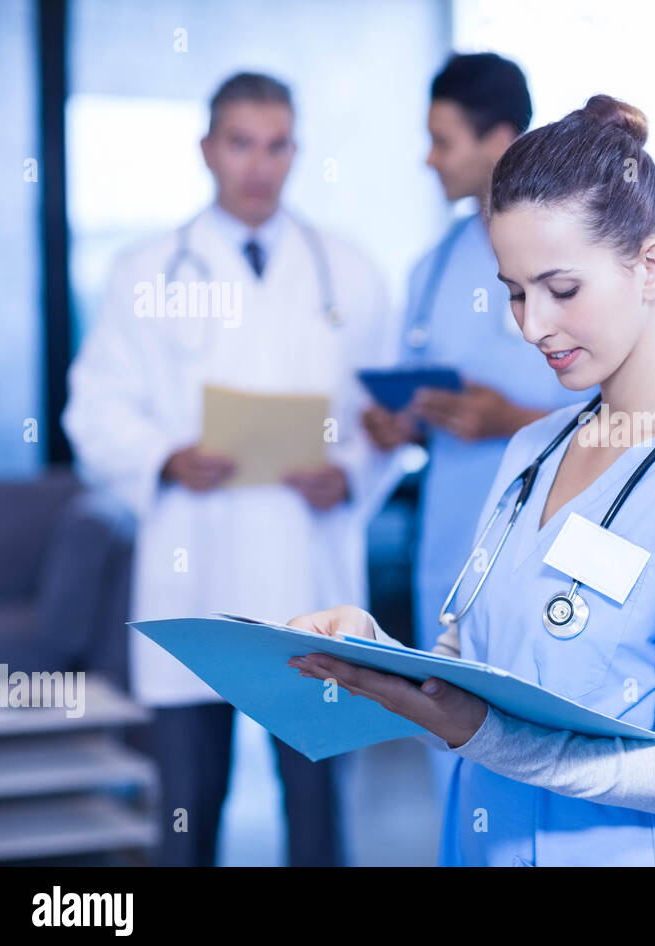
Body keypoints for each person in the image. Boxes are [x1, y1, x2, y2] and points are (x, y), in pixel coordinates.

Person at [288, 94, 655, 867]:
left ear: (651, 267)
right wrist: (380, 657)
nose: (532, 326)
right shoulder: (531, 449)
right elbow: (469, 661)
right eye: (515, 293)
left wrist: (478, 732)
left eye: (562, 290)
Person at [62, 72, 397, 866]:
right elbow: (94, 408)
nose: (259, 165)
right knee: (187, 814)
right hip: (196, 569)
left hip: (306, 572)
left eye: (277, 145)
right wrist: (165, 459)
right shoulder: (145, 271)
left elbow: (383, 422)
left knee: (318, 819)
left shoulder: (347, 272)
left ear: (296, 151)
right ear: (207, 149)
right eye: (241, 143)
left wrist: (348, 471)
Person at [363, 53, 591, 658]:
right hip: (451, 558)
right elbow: (419, 414)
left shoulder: (580, 255)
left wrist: (508, 420)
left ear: (499, 140)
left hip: (557, 554)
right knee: (452, 735)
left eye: (443, 141)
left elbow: (632, 418)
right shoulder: (430, 271)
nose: (429, 158)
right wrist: (400, 426)